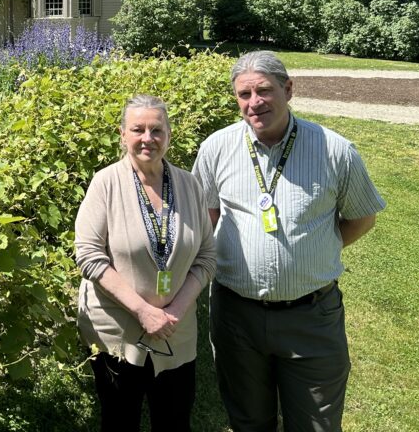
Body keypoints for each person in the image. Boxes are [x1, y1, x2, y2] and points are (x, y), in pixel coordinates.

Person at [193, 50, 386, 432]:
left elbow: (362, 218)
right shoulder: (217, 148)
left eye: (264, 90)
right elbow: (206, 219)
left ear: (289, 89)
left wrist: (315, 251)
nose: (254, 102)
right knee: (248, 421)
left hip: (311, 318)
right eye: (244, 94)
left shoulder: (335, 150)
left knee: (316, 424)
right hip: (237, 317)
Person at [75, 94, 216, 431]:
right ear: (123, 134)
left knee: (174, 422)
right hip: (117, 332)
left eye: (157, 130)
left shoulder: (189, 185)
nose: (147, 138)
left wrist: (176, 310)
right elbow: (89, 256)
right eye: (138, 129)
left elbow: (206, 256)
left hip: (175, 331)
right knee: (119, 422)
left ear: (169, 135)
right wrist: (143, 311)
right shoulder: (105, 183)